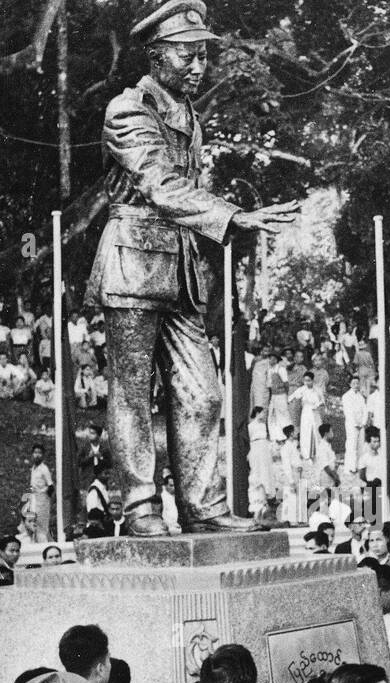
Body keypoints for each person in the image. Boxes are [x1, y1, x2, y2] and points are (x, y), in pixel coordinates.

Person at [83, 0, 298, 536]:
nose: (199, 66)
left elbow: (186, 197)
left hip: (179, 271)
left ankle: (203, 507)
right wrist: (233, 216)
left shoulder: (189, 116)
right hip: (133, 263)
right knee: (132, 396)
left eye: (203, 56)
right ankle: (140, 509)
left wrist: (232, 227)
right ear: (157, 56)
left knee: (203, 393)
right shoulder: (128, 110)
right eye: (188, 56)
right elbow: (158, 184)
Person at [28, 444, 55, 543]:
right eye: (35, 453)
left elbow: (51, 486)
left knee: (42, 525)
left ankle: (44, 544)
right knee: (34, 523)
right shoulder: (34, 468)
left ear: (43, 455)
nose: (37, 455)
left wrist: (45, 499)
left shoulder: (44, 469)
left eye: (40, 453)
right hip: (34, 498)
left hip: (42, 499)